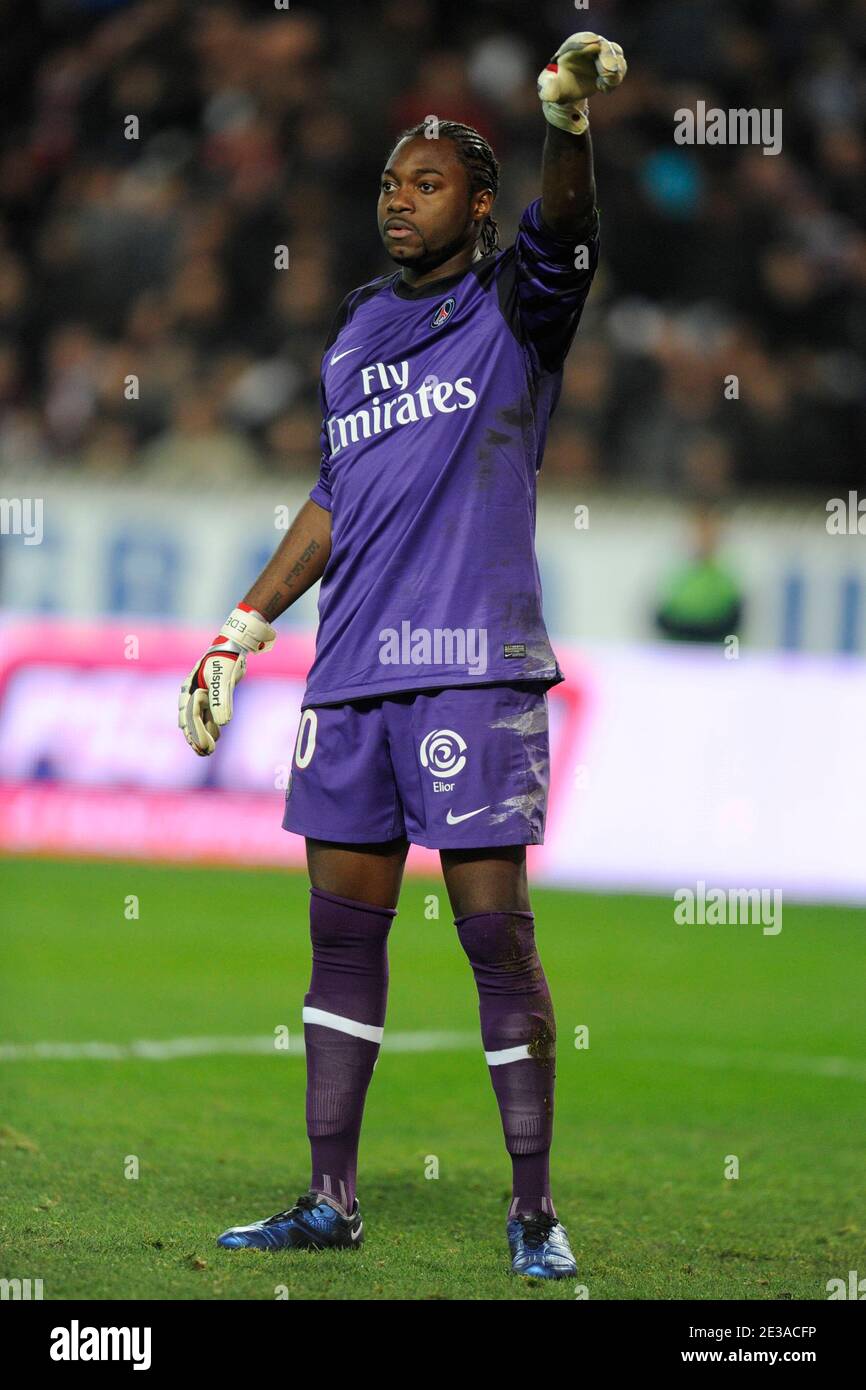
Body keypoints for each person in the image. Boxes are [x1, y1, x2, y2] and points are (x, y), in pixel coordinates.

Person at [179, 32, 626, 1281]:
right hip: (349, 676)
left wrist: (566, 125)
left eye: (425, 183)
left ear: (478, 207)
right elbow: (334, 494)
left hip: (473, 663)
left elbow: (566, 227)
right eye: (388, 182)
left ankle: (532, 1211)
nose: (397, 197)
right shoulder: (358, 330)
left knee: (494, 939)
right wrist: (243, 624)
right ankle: (330, 1198)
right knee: (338, 942)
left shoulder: (516, 308)